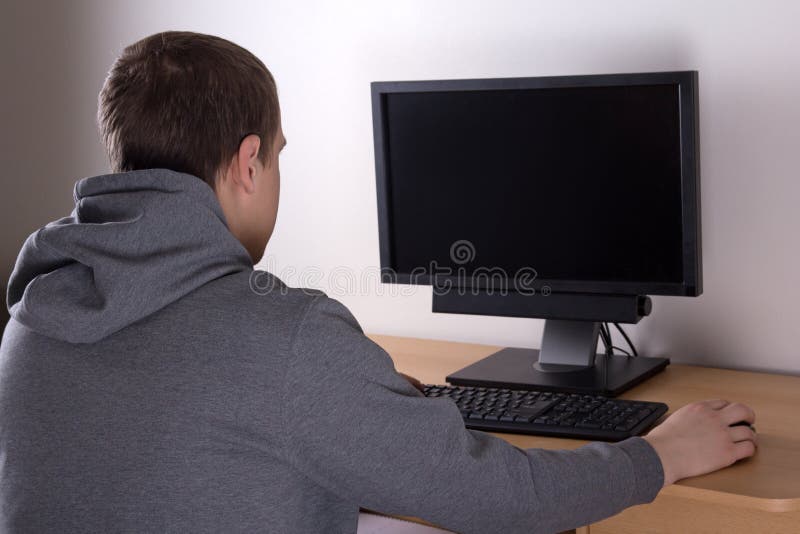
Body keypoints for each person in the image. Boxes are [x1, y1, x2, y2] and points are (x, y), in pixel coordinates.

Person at [0, 31, 757, 534]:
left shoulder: (34, 318)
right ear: (249, 161)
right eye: (280, 159)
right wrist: (662, 455)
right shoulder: (287, 340)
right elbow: (499, 498)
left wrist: (369, 400)